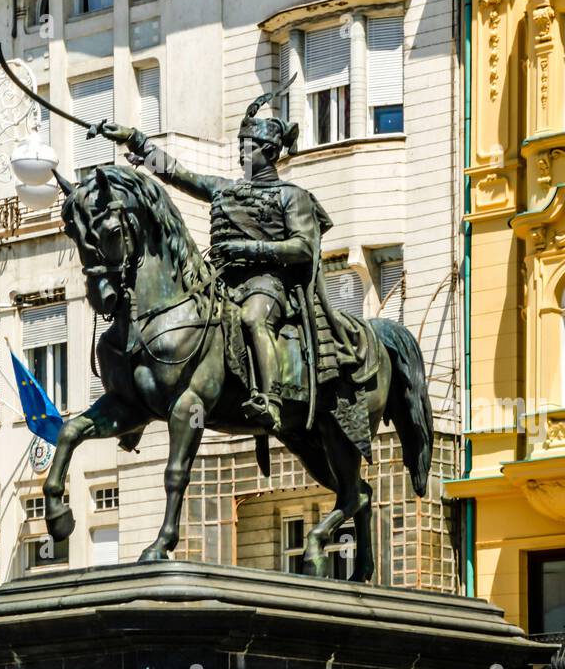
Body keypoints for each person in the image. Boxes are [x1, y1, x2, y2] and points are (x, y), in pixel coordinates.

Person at [101, 92, 371, 434]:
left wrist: (249, 247)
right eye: (241, 145)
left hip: (268, 284)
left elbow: (303, 247)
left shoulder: (292, 196)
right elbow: (179, 175)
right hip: (224, 283)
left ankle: (268, 399)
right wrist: (136, 140)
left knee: (253, 318)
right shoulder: (223, 190)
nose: (242, 153)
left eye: (249, 147)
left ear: (270, 152)